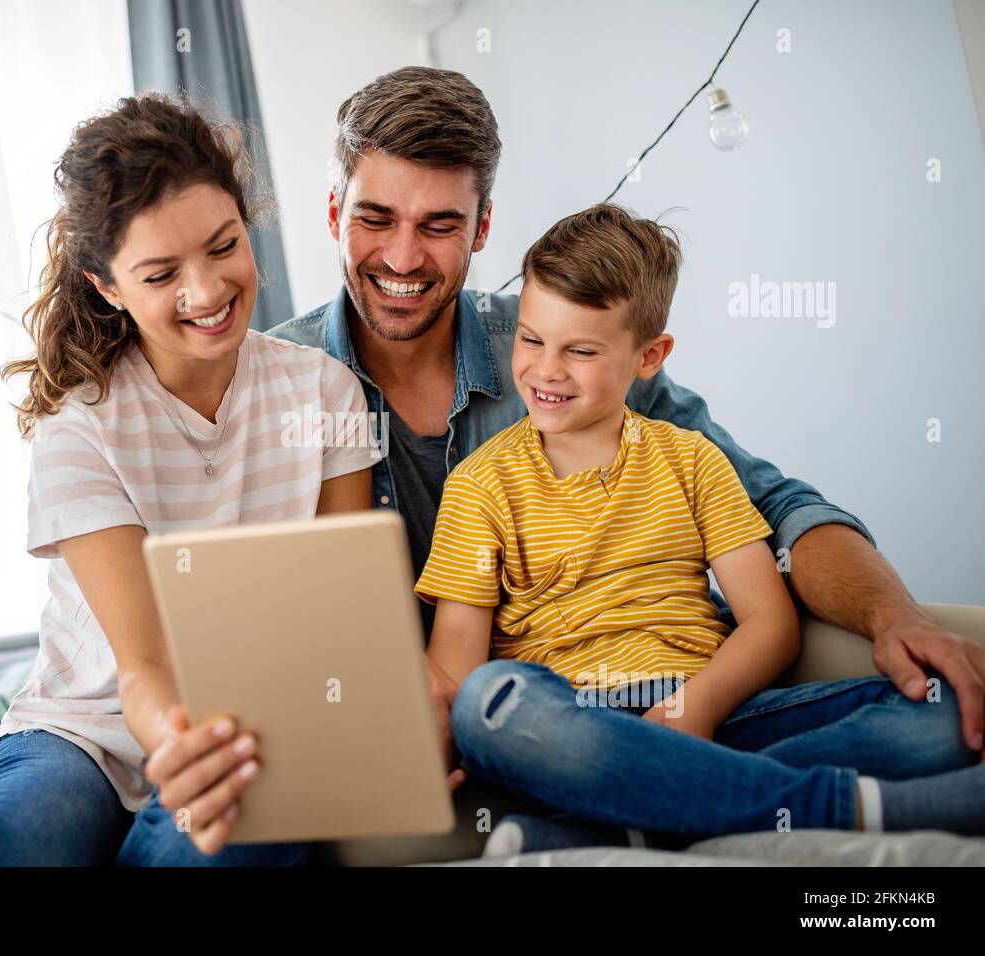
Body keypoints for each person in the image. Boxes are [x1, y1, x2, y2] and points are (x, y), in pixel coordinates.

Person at [266, 67, 985, 806]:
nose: (405, 257)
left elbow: (779, 509)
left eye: (440, 225)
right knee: (502, 705)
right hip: (531, 721)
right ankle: (795, 806)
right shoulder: (273, 384)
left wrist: (894, 615)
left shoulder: (579, 342)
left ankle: (657, 804)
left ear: (482, 227)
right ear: (332, 212)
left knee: (941, 719)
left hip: (685, 702)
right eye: (376, 218)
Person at [0, 92, 378, 867]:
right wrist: (180, 745)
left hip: (250, 732)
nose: (208, 292)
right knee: (14, 851)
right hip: (88, 730)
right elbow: (142, 667)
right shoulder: (78, 423)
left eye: (224, 246)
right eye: (161, 273)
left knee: (231, 831)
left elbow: (346, 614)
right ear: (107, 285)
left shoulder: (326, 393)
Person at [416, 204, 984, 855]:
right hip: (573, 727)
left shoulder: (691, 459)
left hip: (713, 710)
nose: (546, 370)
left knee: (940, 713)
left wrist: (700, 707)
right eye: (531, 338)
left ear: (650, 356)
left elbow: (770, 623)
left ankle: (620, 824)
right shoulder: (479, 485)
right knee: (494, 701)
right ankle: (834, 805)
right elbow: (458, 669)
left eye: (580, 350)